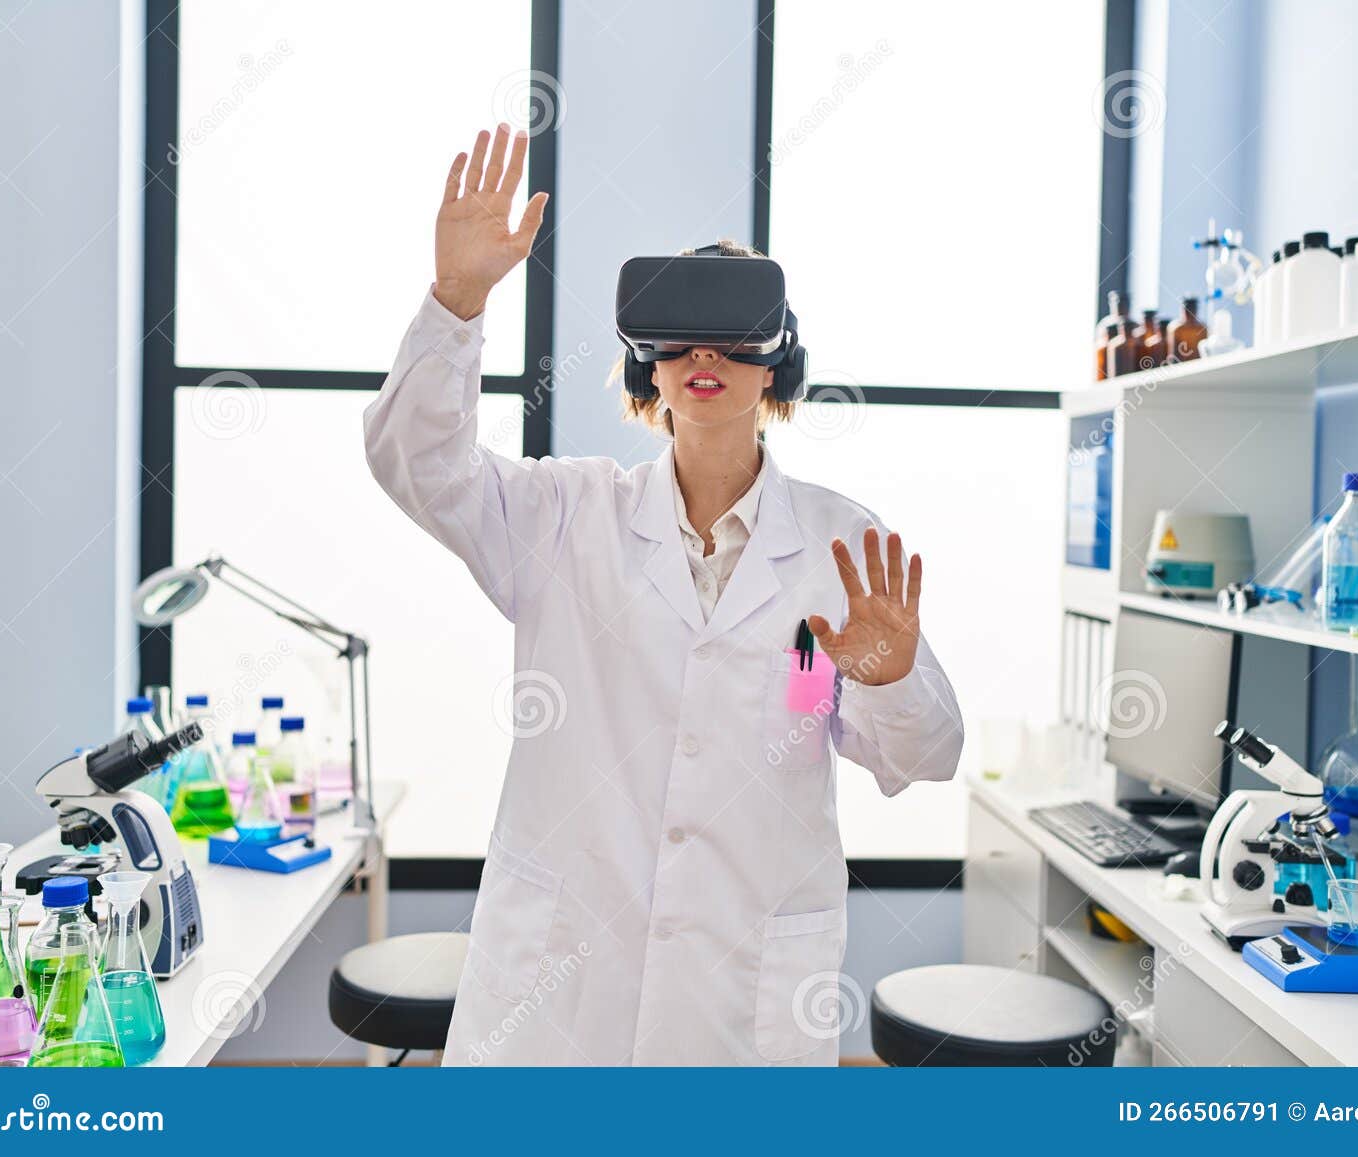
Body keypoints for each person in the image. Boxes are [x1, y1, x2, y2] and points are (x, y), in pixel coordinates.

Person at [364, 124, 963, 1066]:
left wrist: (888, 679)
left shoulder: (839, 546)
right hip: (561, 990)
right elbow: (419, 464)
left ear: (775, 363)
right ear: (649, 363)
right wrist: (458, 301)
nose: (703, 354)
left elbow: (925, 758)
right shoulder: (565, 516)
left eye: (731, 333)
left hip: (740, 991)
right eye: (676, 335)